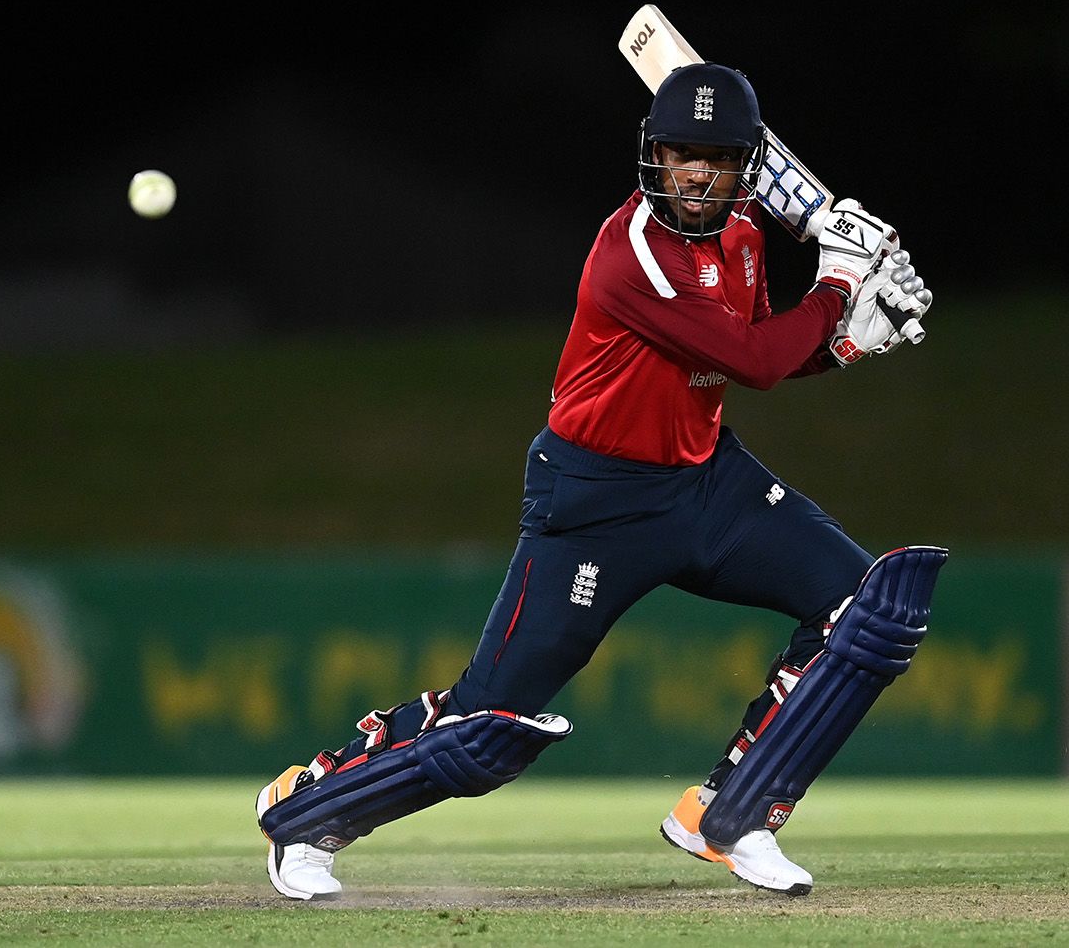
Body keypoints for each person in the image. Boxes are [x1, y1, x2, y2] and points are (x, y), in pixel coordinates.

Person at [255, 62, 944, 900]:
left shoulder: (746, 236)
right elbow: (755, 363)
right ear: (654, 155)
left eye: (717, 158)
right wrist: (839, 283)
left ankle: (733, 815)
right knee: (489, 724)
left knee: (864, 606)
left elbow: (747, 351)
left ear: (745, 168)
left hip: (705, 480)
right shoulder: (634, 257)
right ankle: (306, 813)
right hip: (596, 502)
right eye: (682, 154)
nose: (697, 173)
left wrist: (840, 345)